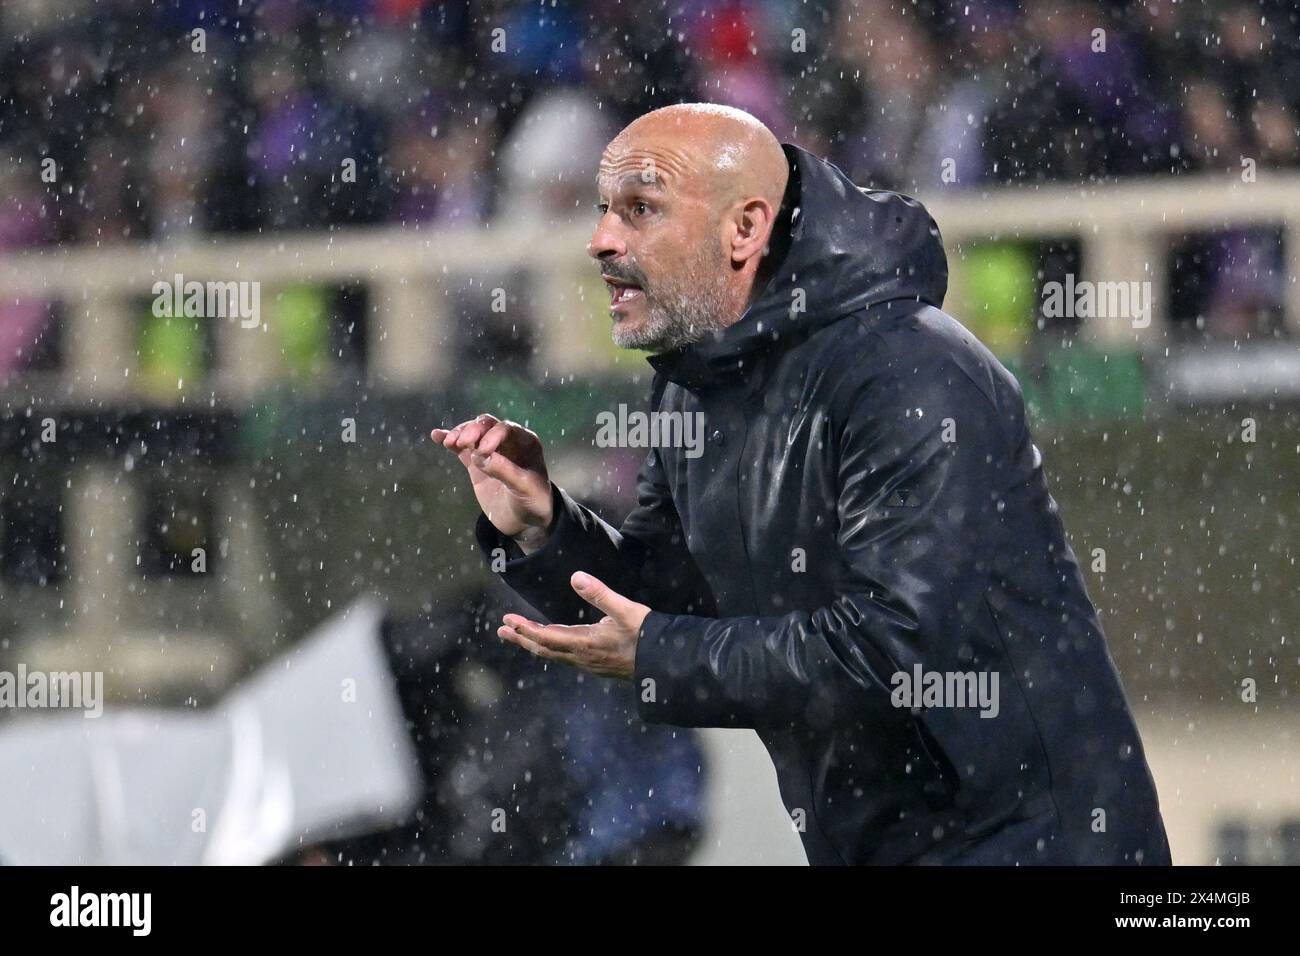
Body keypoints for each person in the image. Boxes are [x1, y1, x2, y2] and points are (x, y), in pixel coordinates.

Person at [431, 103, 1172, 866]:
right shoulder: (694, 387)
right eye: (604, 211)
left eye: (641, 209)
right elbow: (678, 602)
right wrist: (548, 529)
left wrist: (661, 653)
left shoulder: (911, 373)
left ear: (745, 230)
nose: (601, 241)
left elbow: (897, 653)